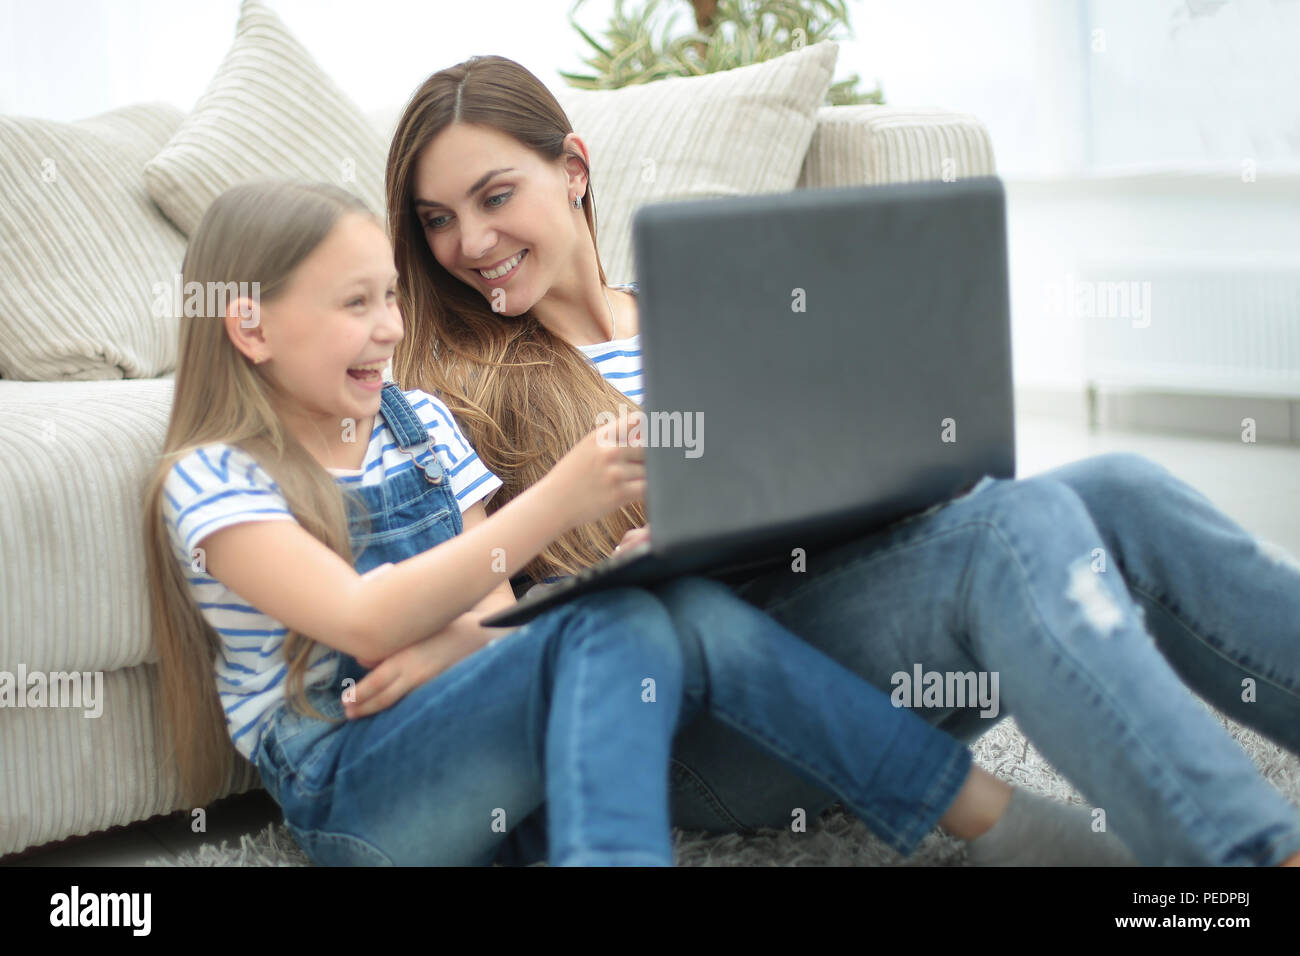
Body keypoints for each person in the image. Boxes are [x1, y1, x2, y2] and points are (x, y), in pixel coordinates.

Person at [382, 54, 1300, 866]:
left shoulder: (708, 306)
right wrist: (616, 584)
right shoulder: (453, 388)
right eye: (437, 220)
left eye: (494, 197)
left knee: (1117, 490)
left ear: (573, 169)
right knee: (1010, 535)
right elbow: (486, 642)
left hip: (844, 624)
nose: (469, 244)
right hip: (705, 719)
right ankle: (1251, 857)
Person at [142, 179, 1136, 867]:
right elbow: (360, 620)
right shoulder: (215, 478)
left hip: (487, 753)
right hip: (360, 797)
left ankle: (978, 810)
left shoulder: (418, 421)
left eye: (393, 297)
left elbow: (492, 612)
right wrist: (566, 496)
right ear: (251, 324)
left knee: (665, 609)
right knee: (608, 619)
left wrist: (450, 647)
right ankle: (980, 811)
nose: (393, 328)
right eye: (357, 304)